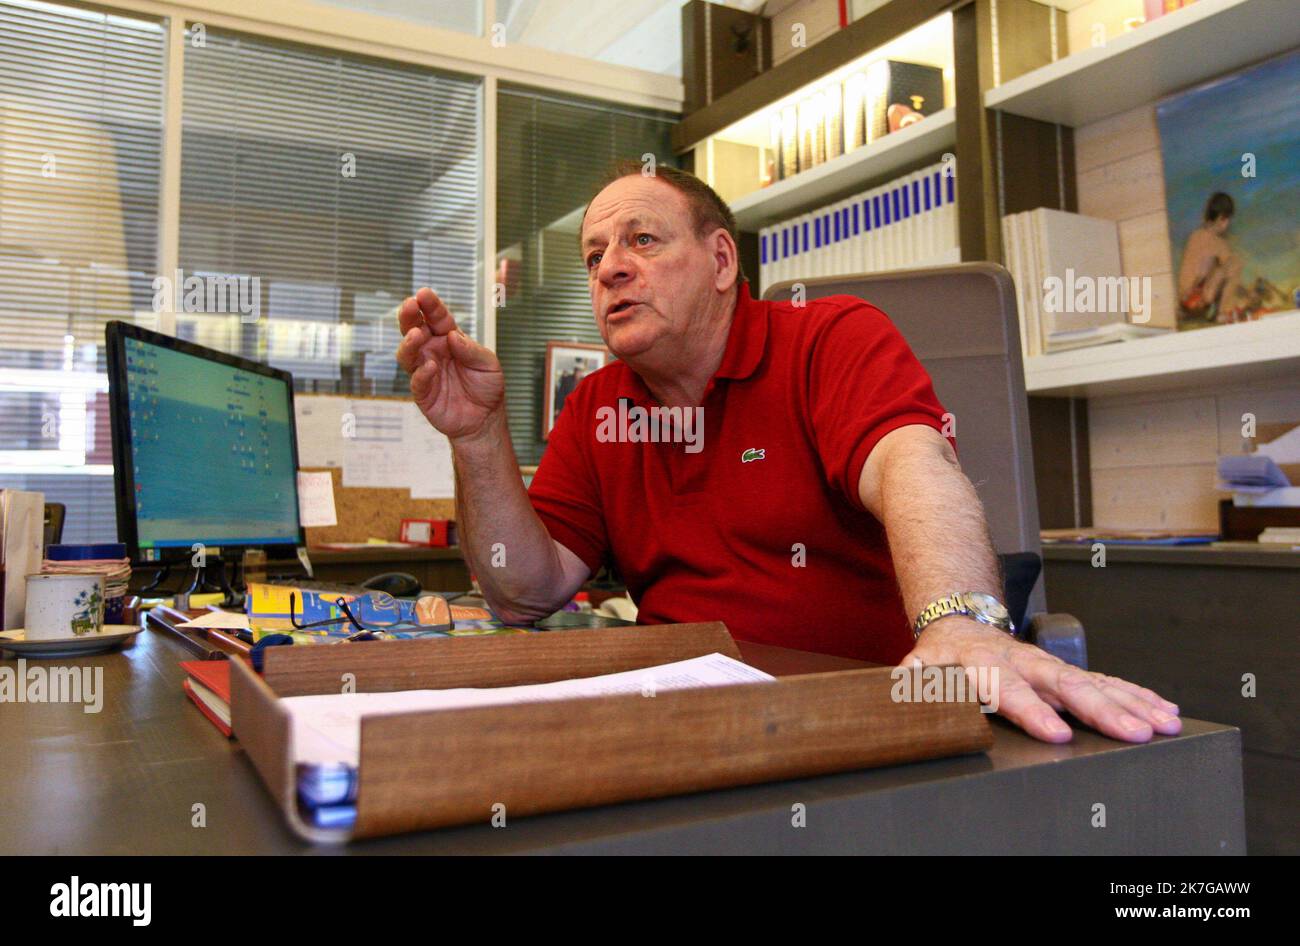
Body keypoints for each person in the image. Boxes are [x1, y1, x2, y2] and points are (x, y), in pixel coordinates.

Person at [396, 162, 1181, 745]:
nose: (610, 268)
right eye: (594, 256)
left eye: (641, 240)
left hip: (859, 720)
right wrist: (476, 437)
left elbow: (915, 467)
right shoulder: (599, 406)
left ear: (722, 262)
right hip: (686, 722)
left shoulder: (830, 339)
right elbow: (521, 594)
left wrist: (963, 627)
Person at [1177, 191, 1244, 324]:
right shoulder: (1214, 242)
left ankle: (1221, 312)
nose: (1228, 224)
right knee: (1234, 263)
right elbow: (1197, 277)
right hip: (1192, 300)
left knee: (1225, 264)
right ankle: (1222, 313)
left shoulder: (1195, 236)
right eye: (1226, 219)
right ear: (1221, 219)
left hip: (1189, 300)